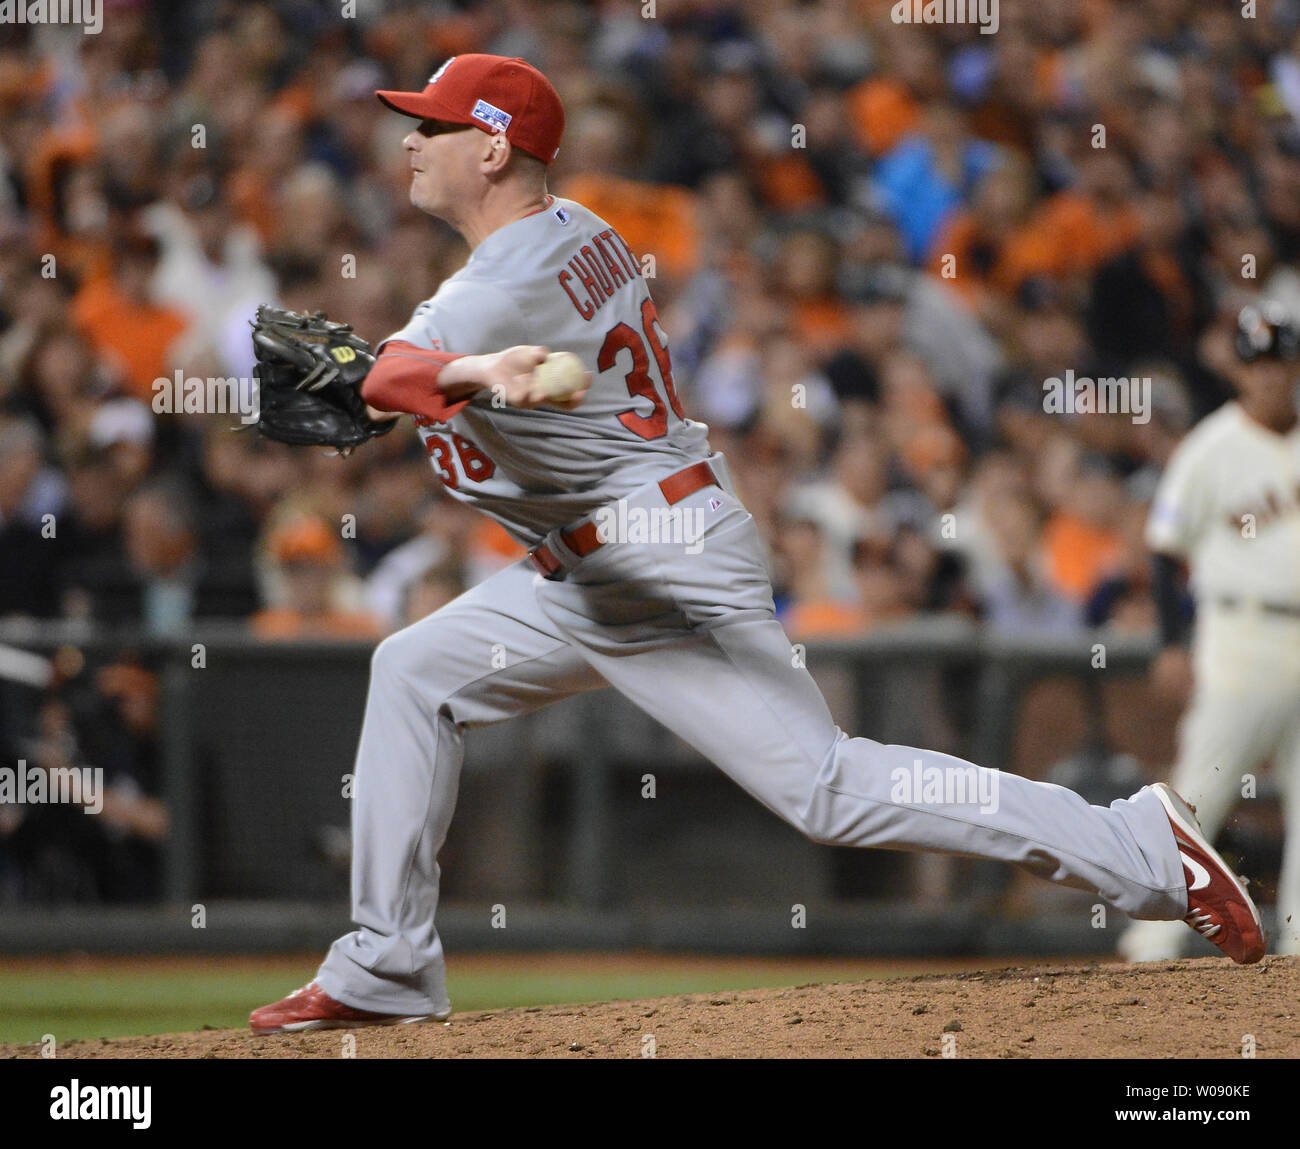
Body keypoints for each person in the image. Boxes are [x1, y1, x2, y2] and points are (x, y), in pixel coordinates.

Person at [251, 55, 1264, 1035]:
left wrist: (423, 376)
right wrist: (441, 379)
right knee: (414, 671)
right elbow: (416, 374)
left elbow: (401, 373)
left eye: (432, 125)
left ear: (492, 150)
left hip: (651, 556)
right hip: (596, 559)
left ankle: (1137, 845)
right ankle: (386, 963)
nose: (410, 141)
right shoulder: (572, 230)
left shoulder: (508, 269)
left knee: (826, 786)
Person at [1120, 301, 1300, 961]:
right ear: (1240, 371)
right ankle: (1148, 944)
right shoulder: (1211, 446)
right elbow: (1164, 552)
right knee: (1200, 790)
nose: (1270, 375)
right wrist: (1171, 641)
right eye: (1258, 363)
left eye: (1281, 362)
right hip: (1240, 634)